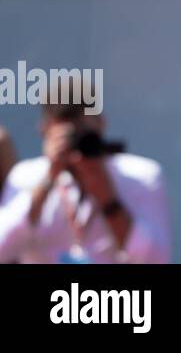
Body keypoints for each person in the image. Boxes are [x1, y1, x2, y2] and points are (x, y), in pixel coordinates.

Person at [0, 102, 170, 263]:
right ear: (45, 130)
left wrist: (107, 196)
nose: (75, 144)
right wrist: (48, 179)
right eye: (67, 136)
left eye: (83, 134)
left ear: (101, 123)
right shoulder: (25, 176)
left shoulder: (141, 175)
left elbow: (155, 260)